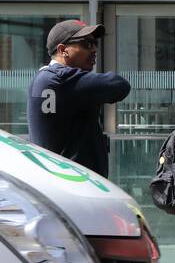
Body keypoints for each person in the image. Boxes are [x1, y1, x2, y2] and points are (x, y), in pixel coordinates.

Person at [27, 20, 130, 177]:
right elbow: (119, 85)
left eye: (95, 43)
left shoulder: (47, 77)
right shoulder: (63, 79)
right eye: (86, 44)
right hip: (74, 183)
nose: (94, 49)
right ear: (62, 50)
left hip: (64, 181)